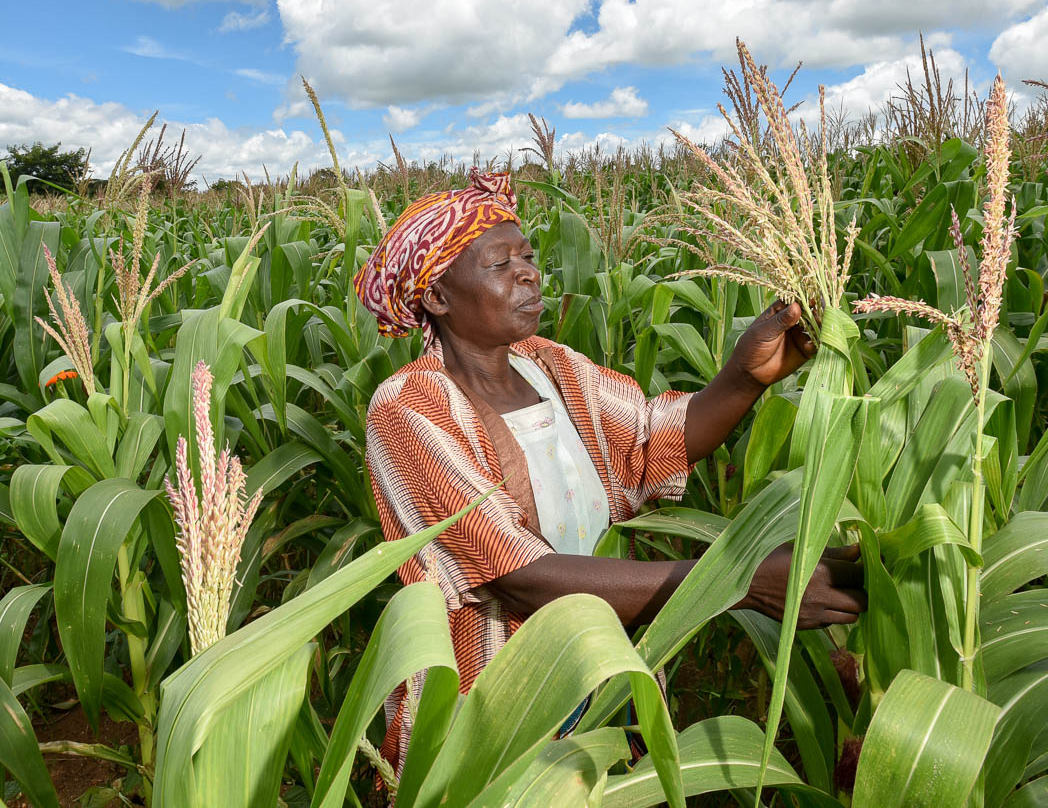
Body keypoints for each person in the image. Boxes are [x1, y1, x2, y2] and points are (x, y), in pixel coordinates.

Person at [354, 169, 866, 768]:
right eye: (500, 264)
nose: (528, 271)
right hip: (500, 702)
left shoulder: (550, 365)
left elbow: (651, 439)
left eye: (527, 255)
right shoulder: (409, 407)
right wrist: (736, 579)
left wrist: (743, 376)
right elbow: (523, 577)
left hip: (605, 670)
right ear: (438, 297)